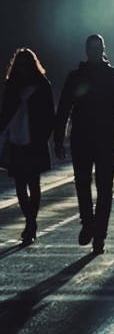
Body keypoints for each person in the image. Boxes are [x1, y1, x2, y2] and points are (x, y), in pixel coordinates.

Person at [54, 34, 114, 254]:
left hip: (106, 139)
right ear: (87, 51)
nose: (95, 52)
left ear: (103, 50)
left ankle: (99, 234)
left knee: (104, 188)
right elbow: (64, 108)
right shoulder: (77, 77)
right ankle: (88, 222)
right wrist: (59, 137)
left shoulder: (113, 76)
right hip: (82, 138)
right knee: (82, 183)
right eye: (92, 48)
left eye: (98, 48)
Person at [0, 49, 55, 244]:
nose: (22, 68)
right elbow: (5, 113)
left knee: (32, 183)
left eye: (25, 64)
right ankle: (30, 221)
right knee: (21, 185)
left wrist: (44, 136)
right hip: (18, 140)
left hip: (34, 140)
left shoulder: (40, 85)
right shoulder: (14, 86)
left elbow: (49, 114)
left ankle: (31, 222)